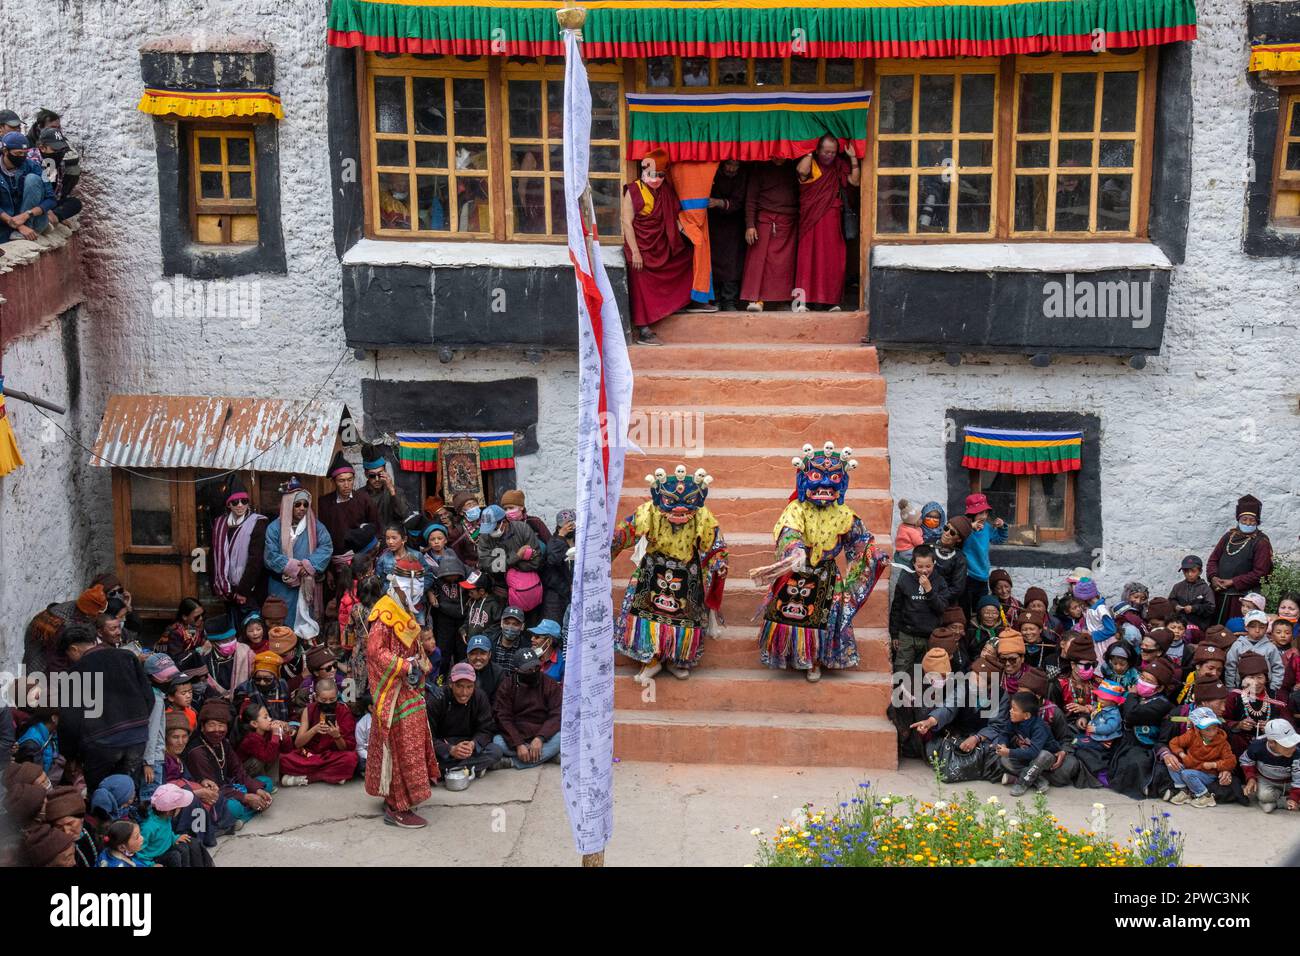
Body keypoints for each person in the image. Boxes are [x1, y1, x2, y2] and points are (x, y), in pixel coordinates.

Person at [753, 442, 886, 682]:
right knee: (789, 612)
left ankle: (814, 659)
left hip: (826, 574)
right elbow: (789, 532)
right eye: (817, 478)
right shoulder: (796, 508)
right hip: (798, 568)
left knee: (825, 614)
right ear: (804, 480)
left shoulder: (845, 514)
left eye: (832, 480)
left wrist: (873, 554)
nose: (825, 486)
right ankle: (790, 655)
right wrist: (795, 550)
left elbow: (859, 540)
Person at [612, 465, 729, 683]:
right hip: (652, 571)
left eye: (687, 509)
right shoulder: (649, 511)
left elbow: (715, 545)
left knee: (683, 619)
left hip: (687, 574)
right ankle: (652, 660)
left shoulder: (702, 516)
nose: (680, 513)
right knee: (647, 617)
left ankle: (677, 659)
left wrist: (719, 562)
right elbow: (625, 532)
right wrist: (605, 549)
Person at [364, 585, 440, 828]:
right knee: (400, 746)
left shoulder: (404, 609)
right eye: (410, 582)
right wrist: (405, 666)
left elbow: (416, 647)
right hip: (393, 692)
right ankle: (397, 806)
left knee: (413, 742)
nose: (415, 588)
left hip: (409, 689)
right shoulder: (383, 615)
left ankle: (400, 796)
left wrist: (419, 664)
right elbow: (375, 652)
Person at [57, 624, 155, 794]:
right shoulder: (127, 656)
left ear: (73, 649)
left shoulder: (73, 674)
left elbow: (69, 723)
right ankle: (127, 819)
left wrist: (71, 756)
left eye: (68, 655)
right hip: (137, 738)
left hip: (101, 743)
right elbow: (149, 697)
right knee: (127, 791)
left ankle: (101, 819)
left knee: (101, 792)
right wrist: (138, 722)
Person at [622, 148, 695, 344]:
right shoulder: (633, 190)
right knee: (640, 277)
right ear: (643, 171)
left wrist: (692, 235)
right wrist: (636, 252)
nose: (656, 179)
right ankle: (644, 328)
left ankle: (676, 303)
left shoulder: (665, 191)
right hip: (641, 246)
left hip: (660, 245)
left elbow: (673, 218)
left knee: (686, 258)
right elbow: (627, 222)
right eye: (652, 174)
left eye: (660, 175)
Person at [184, 700, 274, 829]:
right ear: (203, 727)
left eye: (221, 725)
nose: (217, 730)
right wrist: (245, 797)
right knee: (234, 807)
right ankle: (243, 814)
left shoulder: (223, 743)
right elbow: (213, 790)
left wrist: (256, 790)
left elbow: (238, 771)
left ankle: (244, 814)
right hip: (212, 796)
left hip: (229, 786)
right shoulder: (196, 751)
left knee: (266, 783)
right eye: (212, 725)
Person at [794, 134, 859, 310]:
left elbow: (854, 180)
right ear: (818, 150)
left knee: (832, 258)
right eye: (826, 152)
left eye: (833, 152)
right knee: (808, 258)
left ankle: (831, 302)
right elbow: (802, 172)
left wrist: (853, 157)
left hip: (831, 217)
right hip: (811, 220)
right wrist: (808, 152)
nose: (829, 156)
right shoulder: (812, 163)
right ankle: (802, 301)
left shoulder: (838, 164)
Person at [263, 477, 334, 638]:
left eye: (305, 505)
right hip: (281, 587)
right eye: (297, 504)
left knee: (308, 623)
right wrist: (295, 568)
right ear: (289, 505)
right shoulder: (274, 528)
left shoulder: (316, 526)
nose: (302, 508)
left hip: (307, 584)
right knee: (283, 624)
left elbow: (326, 547)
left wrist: (307, 566)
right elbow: (270, 555)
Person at [740, 157, 798, 312]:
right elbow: (751, 199)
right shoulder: (760, 167)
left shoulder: (793, 167)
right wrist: (750, 225)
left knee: (784, 265)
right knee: (759, 263)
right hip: (764, 220)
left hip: (787, 220)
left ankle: (783, 300)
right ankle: (755, 299)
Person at [428, 662, 504, 779]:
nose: (464, 693)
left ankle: (449, 772)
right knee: (423, 760)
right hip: (445, 746)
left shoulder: (480, 697)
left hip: (469, 746)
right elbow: (427, 736)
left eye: (469, 687)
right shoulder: (437, 699)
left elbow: (487, 729)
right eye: (459, 686)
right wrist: (450, 750)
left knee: (495, 751)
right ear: (451, 684)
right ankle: (472, 768)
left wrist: (473, 744)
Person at [1206, 494, 1273, 625]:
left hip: (1243, 599)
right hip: (1219, 593)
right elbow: (1213, 560)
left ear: (1257, 521)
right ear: (1238, 519)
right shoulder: (1228, 536)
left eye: (1252, 520)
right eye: (1244, 519)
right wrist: (1213, 577)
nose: (1248, 523)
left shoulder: (1261, 542)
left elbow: (1260, 572)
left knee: (1237, 628)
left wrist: (1232, 582)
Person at [492, 647, 562, 769]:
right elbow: (503, 717)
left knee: (561, 738)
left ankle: (512, 762)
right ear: (516, 670)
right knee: (497, 742)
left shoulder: (549, 684)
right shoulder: (507, 686)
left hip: (543, 734)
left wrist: (540, 738)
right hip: (517, 734)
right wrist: (518, 743)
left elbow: (557, 713)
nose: (533, 671)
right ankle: (547, 756)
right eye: (528, 669)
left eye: (535, 667)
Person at [210, 475, 267, 621]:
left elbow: (256, 559)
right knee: (232, 628)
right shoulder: (220, 524)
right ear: (228, 505)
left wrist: (243, 591)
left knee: (251, 628)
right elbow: (213, 557)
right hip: (227, 590)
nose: (240, 505)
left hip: (250, 589)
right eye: (235, 502)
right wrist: (218, 586)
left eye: (244, 501)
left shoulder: (258, 522)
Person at [889, 544, 946, 676]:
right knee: (901, 670)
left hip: (929, 635)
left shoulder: (940, 581)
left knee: (927, 673)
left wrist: (929, 590)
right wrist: (895, 634)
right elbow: (896, 608)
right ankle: (900, 695)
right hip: (907, 635)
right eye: (920, 567)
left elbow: (941, 608)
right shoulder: (905, 580)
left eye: (928, 566)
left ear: (934, 563)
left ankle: (922, 696)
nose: (924, 570)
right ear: (913, 564)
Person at [1166, 707, 1237, 807]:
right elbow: (1174, 743)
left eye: (1215, 728)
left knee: (1187, 774)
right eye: (1207, 730)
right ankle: (1185, 792)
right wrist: (1182, 754)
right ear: (1197, 728)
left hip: (1207, 774)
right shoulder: (1191, 735)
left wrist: (1214, 764)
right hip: (1190, 767)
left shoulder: (1222, 743)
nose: (1212, 733)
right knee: (1171, 764)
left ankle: (1206, 796)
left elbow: (1231, 761)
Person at [994, 691, 1060, 796]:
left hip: (1045, 759)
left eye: (1014, 709)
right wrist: (1003, 745)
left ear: (1026, 715)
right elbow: (1004, 733)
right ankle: (1037, 780)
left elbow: (1034, 752)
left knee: (1043, 755)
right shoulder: (1013, 721)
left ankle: (1021, 783)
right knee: (1004, 759)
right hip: (1028, 756)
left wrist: (1010, 752)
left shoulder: (1039, 727)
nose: (1010, 711)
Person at [137, 784, 212, 867]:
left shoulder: (164, 817)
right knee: (175, 856)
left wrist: (174, 838)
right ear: (169, 811)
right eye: (179, 807)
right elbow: (138, 851)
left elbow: (165, 832)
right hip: (153, 858)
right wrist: (150, 865)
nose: (181, 808)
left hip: (164, 848)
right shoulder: (148, 827)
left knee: (188, 846)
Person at [708, 159, 748, 310]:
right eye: (729, 164)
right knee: (713, 262)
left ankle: (729, 301)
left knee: (732, 264)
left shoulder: (742, 177)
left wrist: (719, 203)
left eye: (735, 165)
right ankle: (716, 299)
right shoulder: (712, 175)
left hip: (734, 227)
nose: (732, 169)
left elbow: (739, 202)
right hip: (713, 225)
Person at [0, 131, 55, 241]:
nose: (22, 157)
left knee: (32, 178)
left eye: (25, 153)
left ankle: (28, 229)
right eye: (18, 153)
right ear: (5, 151)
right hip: (5, 222)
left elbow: (51, 199)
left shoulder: (35, 165)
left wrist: (26, 215)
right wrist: (18, 225)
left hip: (32, 220)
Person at [959, 493, 1008, 615]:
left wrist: (1002, 527)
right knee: (965, 607)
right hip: (967, 575)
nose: (984, 516)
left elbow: (999, 540)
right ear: (971, 514)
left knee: (981, 608)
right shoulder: (964, 527)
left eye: (986, 513)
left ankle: (980, 632)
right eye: (980, 513)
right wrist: (969, 527)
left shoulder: (987, 528)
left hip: (983, 575)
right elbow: (954, 536)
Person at [1226, 609, 1285, 693]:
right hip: (1241, 688)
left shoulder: (1271, 647)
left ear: (1267, 627)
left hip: (1265, 689)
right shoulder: (1238, 645)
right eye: (1253, 626)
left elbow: (1278, 668)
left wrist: (1273, 688)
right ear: (1246, 627)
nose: (1257, 630)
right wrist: (1231, 688)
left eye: (1261, 627)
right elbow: (1230, 667)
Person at [360, 446, 410, 529]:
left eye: (380, 474)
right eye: (372, 476)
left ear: (385, 471)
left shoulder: (396, 491)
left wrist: (392, 490)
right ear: (366, 475)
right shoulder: (360, 495)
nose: (377, 479)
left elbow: (404, 514)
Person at [542, 508, 576, 623]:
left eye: (571, 524)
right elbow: (553, 559)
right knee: (554, 625)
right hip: (555, 594)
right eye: (565, 525)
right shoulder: (555, 541)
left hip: (573, 592)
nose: (569, 528)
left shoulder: (579, 539)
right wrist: (561, 535)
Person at [1170, 554, 1216, 631]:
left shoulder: (1205, 589)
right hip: (1180, 626)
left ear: (1200, 571)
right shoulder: (1178, 587)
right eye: (1186, 571)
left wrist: (1194, 608)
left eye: (1193, 571)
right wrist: (1175, 605)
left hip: (1199, 626)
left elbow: (1211, 608)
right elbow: (1171, 600)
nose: (1189, 574)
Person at [464, 633, 504, 702]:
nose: (478, 657)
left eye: (483, 653)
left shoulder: (498, 672)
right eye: (473, 653)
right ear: (467, 655)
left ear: (489, 655)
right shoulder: (459, 669)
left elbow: (499, 702)